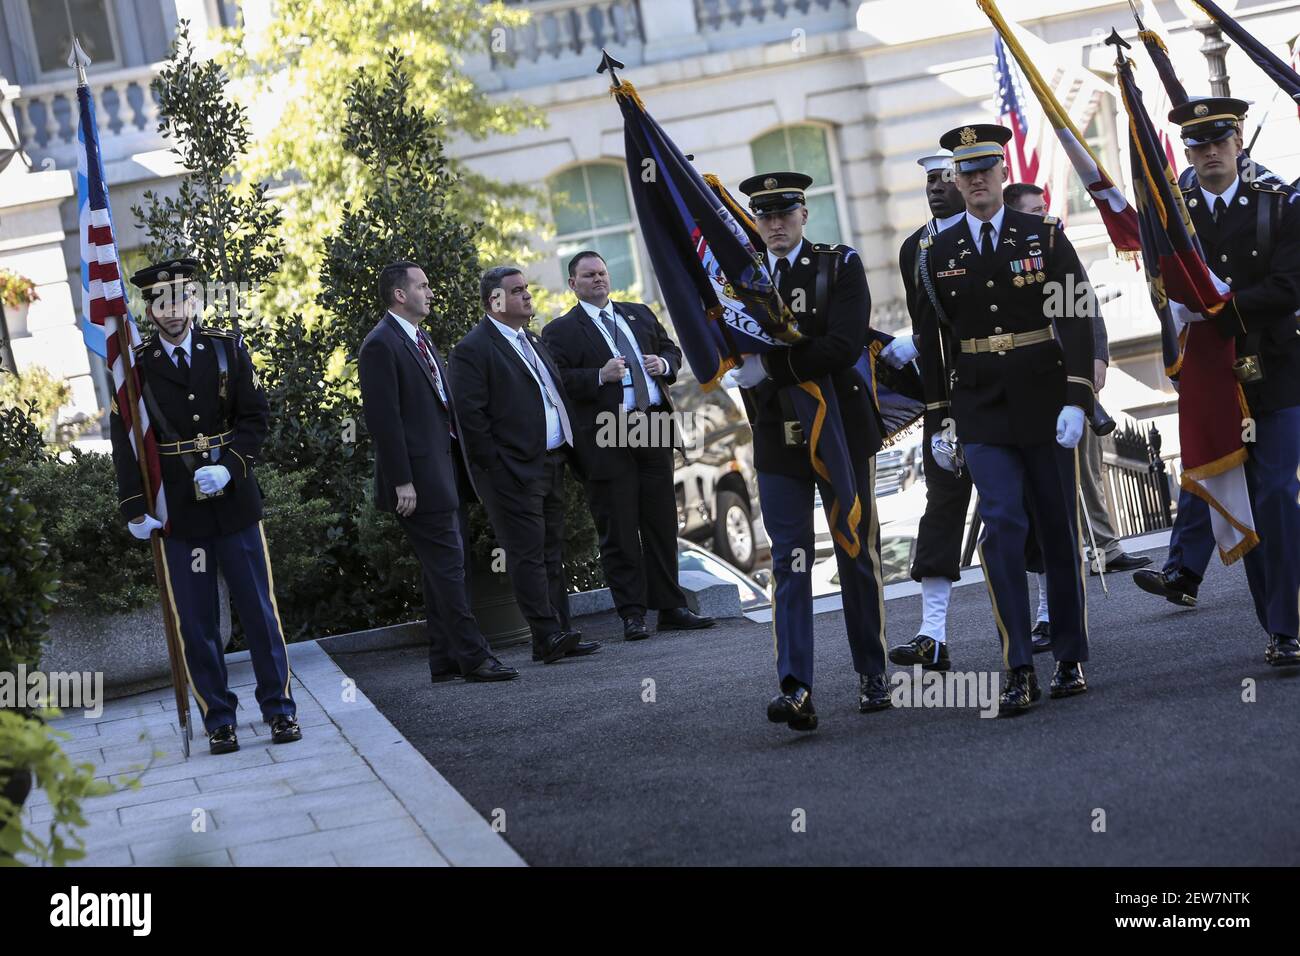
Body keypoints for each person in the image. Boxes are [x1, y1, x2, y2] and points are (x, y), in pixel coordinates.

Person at [913, 125, 1096, 714]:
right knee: (1001, 528)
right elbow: (933, 341)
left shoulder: (1040, 233)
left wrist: (1078, 396)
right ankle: (1017, 662)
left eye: (985, 168)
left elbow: (1074, 312)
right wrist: (941, 419)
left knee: (1056, 529)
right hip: (981, 406)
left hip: (1044, 399)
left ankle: (1067, 653)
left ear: (1001, 170)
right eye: (964, 172)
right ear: (956, 180)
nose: (975, 180)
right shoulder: (936, 253)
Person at [111, 257, 299, 755]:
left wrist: (233, 465)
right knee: (195, 622)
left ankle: (279, 710)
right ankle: (219, 717)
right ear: (148, 309)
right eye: (161, 302)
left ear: (194, 300)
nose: (173, 312)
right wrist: (134, 506)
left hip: (234, 501)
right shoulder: (136, 369)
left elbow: (255, 418)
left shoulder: (226, 350)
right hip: (178, 511)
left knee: (259, 611)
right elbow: (124, 442)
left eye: (180, 299)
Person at [727, 171, 889, 731]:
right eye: (764, 215)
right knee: (790, 560)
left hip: (841, 426)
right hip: (778, 434)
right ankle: (796, 686)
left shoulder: (838, 265)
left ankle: (872, 670)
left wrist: (768, 366)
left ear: (803, 214)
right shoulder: (739, 278)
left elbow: (844, 345)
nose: (774, 224)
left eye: (783, 213)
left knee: (854, 549)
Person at [1163, 97, 1300, 667]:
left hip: (1277, 371)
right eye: (1197, 145)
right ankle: (1277, 627)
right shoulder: (1175, 214)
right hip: (1216, 380)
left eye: (1219, 141)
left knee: (1275, 494)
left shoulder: (1278, 203)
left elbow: (1290, 287)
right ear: (1186, 152)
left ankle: (1289, 621)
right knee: (1238, 498)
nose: (1210, 153)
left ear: (1238, 141)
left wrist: (1224, 306)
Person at [541, 250, 714, 640]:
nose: (598, 279)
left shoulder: (638, 313)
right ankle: (632, 615)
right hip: (607, 431)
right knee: (618, 526)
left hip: (651, 422)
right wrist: (598, 376)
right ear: (573, 284)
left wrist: (664, 365)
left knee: (661, 521)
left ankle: (671, 607)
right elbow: (558, 381)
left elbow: (672, 350)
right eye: (588, 276)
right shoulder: (561, 331)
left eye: (602, 272)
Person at [358, 261, 518, 683]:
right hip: (417, 482)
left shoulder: (419, 338)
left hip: (446, 474)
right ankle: (475, 657)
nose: (430, 293)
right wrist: (401, 480)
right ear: (400, 294)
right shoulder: (380, 345)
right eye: (423, 286)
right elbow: (384, 420)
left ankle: (445, 658)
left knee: (443, 568)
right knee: (449, 569)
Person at [449, 266, 601, 665]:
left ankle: (559, 633)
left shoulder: (530, 340)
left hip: (552, 462)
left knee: (552, 551)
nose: (527, 296)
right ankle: (546, 634)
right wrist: (499, 470)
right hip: (512, 473)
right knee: (528, 555)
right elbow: (471, 420)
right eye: (517, 291)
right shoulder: (472, 350)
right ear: (493, 302)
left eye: (526, 289)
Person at [883, 148, 971, 672]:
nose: (935, 187)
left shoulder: (997, 234)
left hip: (996, 393)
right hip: (945, 401)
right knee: (940, 510)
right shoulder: (913, 248)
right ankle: (931, 634)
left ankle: (1049, 614)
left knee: (1017, 508)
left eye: (944, 178)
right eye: (930, 180)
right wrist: (915, 344)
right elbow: (925, 319)